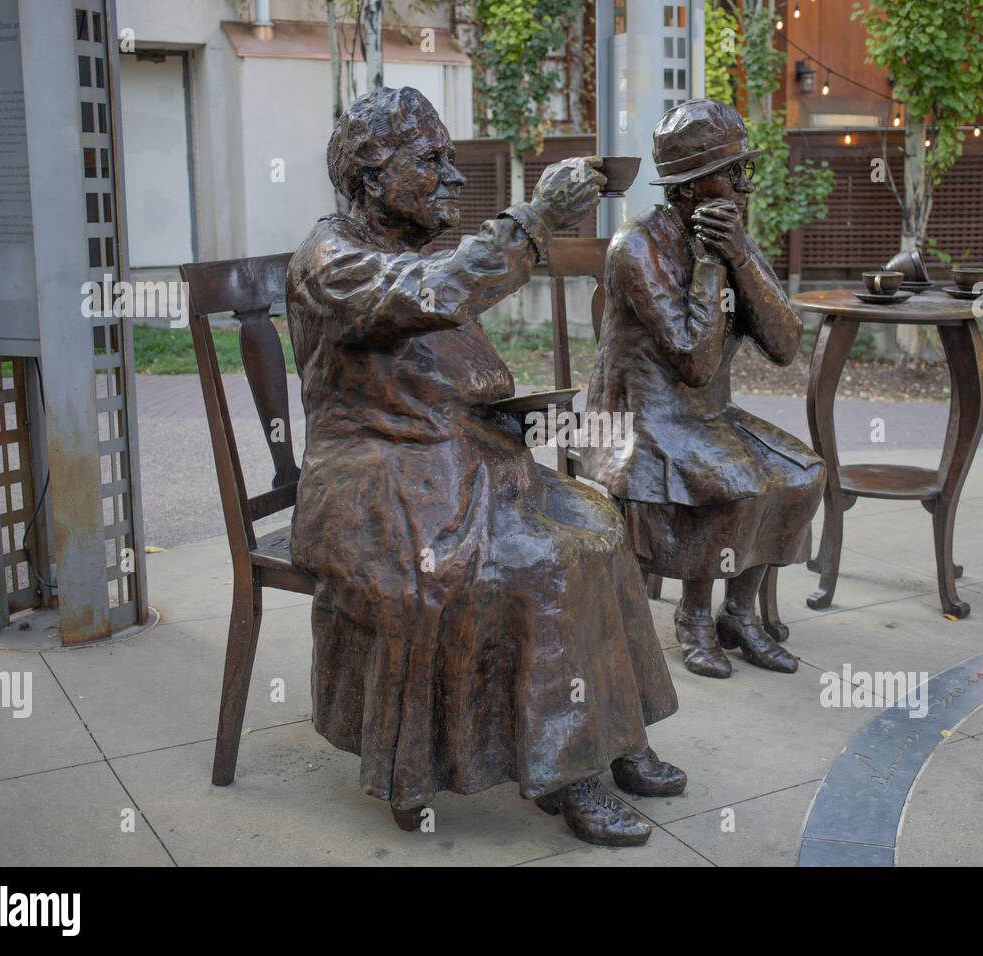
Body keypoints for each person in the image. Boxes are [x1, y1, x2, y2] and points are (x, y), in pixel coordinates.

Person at [286, 88, 685, 847]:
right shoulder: (330, 258)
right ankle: (569, 770)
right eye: (432, 162)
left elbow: (443, 339)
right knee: (545, 561)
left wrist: (509, 410)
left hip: (461, 463)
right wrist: (535, 219)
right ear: (372, 177)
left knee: (599, 520)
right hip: (377, 478)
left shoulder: (409, 247)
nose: (454, 178)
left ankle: (616, 733)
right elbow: (434, 296)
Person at [582, 99, 826, 680]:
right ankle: (692, 618)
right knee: (735, 480)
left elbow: (786, 344)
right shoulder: (636, 247)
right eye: (735, 171)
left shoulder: (729, 234)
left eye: (747, 168)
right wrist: (711, 265)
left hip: (705, 416)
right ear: (691, 188)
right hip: (636, 422)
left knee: (801, 471)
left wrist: (739, 256)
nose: (747, 183)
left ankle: (738, 614)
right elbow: (695, 362)